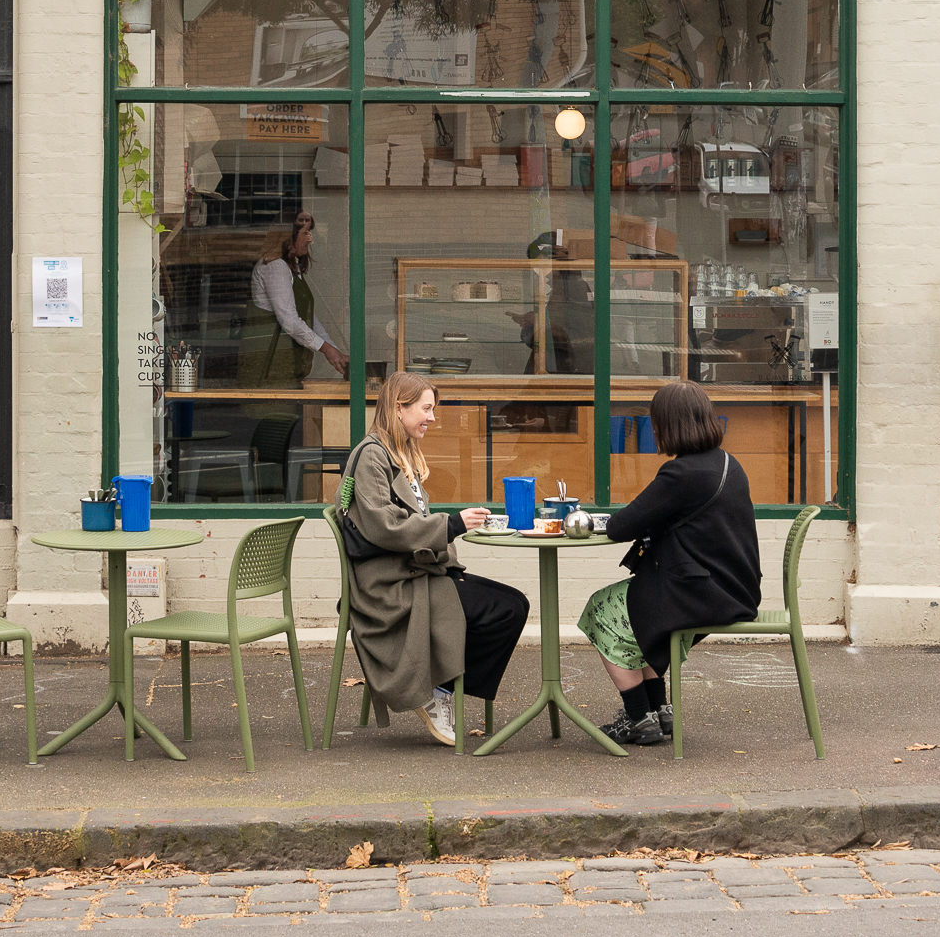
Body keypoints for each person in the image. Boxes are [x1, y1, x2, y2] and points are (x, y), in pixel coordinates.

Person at [339, 370, 529, 745]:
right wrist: (453, 525)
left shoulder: (400, 453)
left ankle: (441, 687)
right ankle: (437, 691)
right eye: (425, 408)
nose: (432, 417)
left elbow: (408, 523)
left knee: (514, 605)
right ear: (399, 408)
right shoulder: (371, 457)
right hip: (389, 585)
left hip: (414, 571)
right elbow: (383, 527)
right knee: (501, 610)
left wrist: (448, 533)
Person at [576, 379, 759, 746]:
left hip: (701, 593)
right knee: (636, 610)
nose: (653, 429)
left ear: (668, 426)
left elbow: (620, 527)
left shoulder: (682, 473)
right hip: (732, 588)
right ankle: (658, 712)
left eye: (656, 422)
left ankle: (638, 717)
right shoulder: (727, 463)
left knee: (602, 608)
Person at [243, 213, 347, 381]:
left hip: (285, 366)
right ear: (288, 237)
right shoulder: (275, 267)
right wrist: (327, 349)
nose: (310, 239)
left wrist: (334, 351)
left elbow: (308, 317)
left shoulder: (291, 268)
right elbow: (289, 320)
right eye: (305, 233)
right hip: (267, 368)